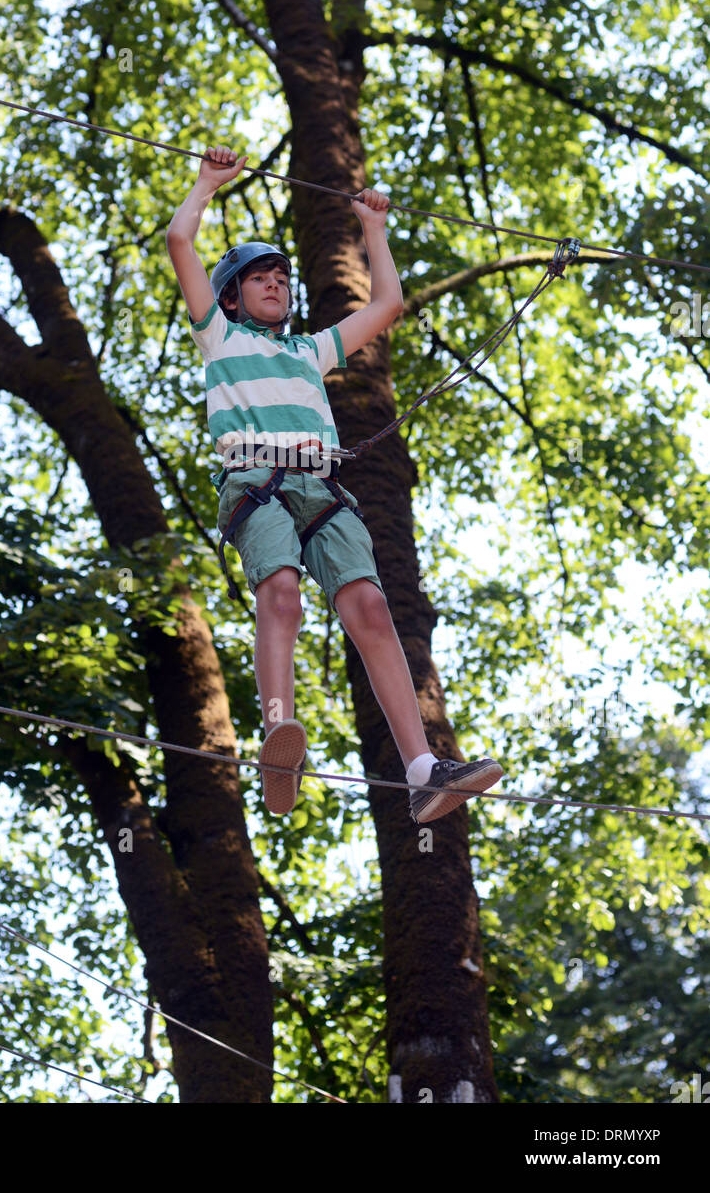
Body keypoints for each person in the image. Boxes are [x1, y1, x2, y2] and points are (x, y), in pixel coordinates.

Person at [165, 144, 502, 827]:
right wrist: (206, 184)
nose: (277, 285)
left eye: (283, 278)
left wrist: (373, 230)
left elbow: (388, 304)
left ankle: (422, 773)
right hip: (257, 480)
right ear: (231, 294)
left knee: (373, 612)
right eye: (260, 278)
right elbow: (180, 241)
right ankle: (279, 734)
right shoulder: (219, 339)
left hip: (323, 489)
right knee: (281, 592)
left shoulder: (309, 350)